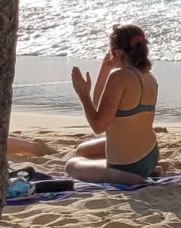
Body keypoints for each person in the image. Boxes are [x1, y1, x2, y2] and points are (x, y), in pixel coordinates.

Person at [64, 25, 161, 186]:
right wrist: (105, 69)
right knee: (83, 150)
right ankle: (153, 169)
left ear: (117, 52)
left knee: (72, 164)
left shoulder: (119, 77)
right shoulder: (149, 78)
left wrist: (83, 94)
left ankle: (128, 178)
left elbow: (98, 126)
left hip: (127, 164)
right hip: (150, 155)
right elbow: (99, 107)